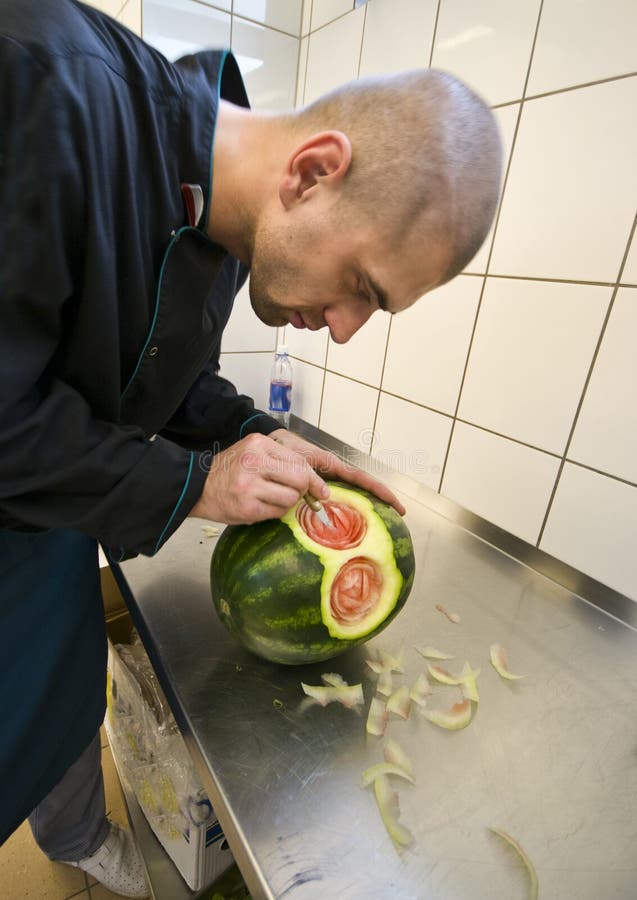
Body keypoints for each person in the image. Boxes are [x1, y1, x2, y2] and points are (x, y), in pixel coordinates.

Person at [0, 0, 502, 896]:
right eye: (361, 288)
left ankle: (74, 834)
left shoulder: (232, 225)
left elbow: (153, 373)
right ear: (312, 171)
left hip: (48, 527)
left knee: (59, 703)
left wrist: (251, 435)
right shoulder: (37, 82)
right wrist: (193, 482)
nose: (343, 331)